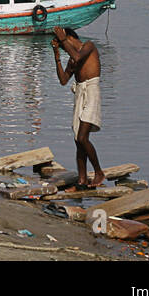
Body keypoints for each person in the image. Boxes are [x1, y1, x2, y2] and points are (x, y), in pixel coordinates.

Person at [52, 26, 104, 190]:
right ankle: (82, 179)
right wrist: (57, 56)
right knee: (78, 140)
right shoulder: (72, 59)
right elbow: (63, 80)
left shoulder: (88, 47)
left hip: (91, 91)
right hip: (80, 92)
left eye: (63, 42)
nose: (63, 47)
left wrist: (62, 39)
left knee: (82, 137)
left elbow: (77, 55)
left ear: (70, 38)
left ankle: (99, 172)